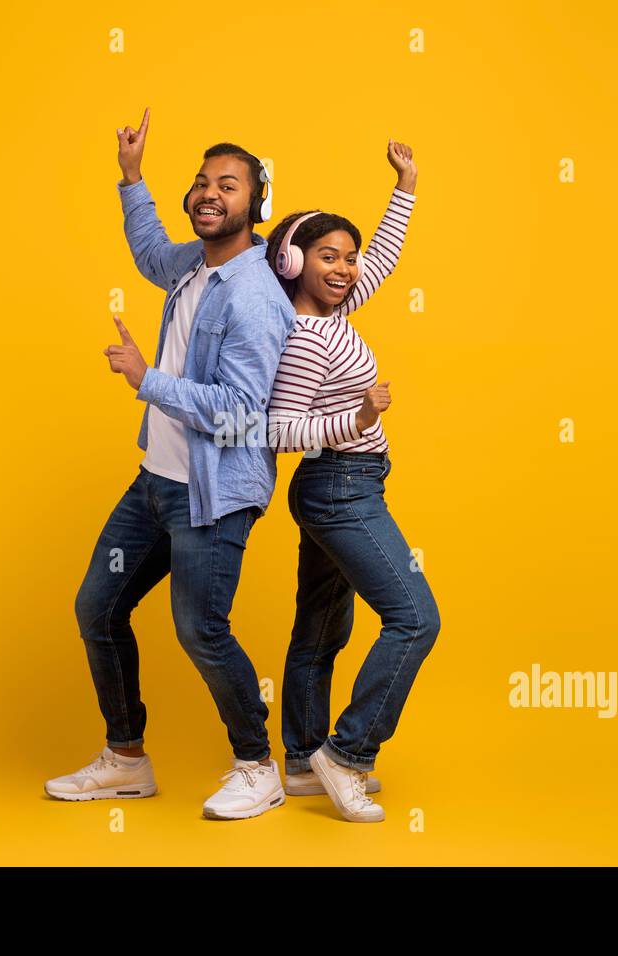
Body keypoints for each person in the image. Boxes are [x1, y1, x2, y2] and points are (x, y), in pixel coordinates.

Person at [43, 108, 297, 820]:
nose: (209, 193)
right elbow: (153, 253)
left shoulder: (254, 295)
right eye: (201, 181)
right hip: (157, 482)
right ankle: (126, 759)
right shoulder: (193, 264)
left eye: (229, 185)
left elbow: (243, 411)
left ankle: (257, 765)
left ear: (256, 205)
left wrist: (146, 378)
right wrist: (132, 178)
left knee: (200, 630)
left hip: (211, 495)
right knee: (98, 606)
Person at [264, 140, 440, 822]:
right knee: (415, 618)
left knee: (320, 630)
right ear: (292, 262)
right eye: (326, 255)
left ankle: (305, 760)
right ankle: (347, 754)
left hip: (346, 485)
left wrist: (406, 186)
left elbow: (384, 261)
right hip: (341, 487)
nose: (343, 267)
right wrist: (357, 414)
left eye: (347, 256)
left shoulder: (335, 311)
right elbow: (280, 433)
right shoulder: (308, 334)